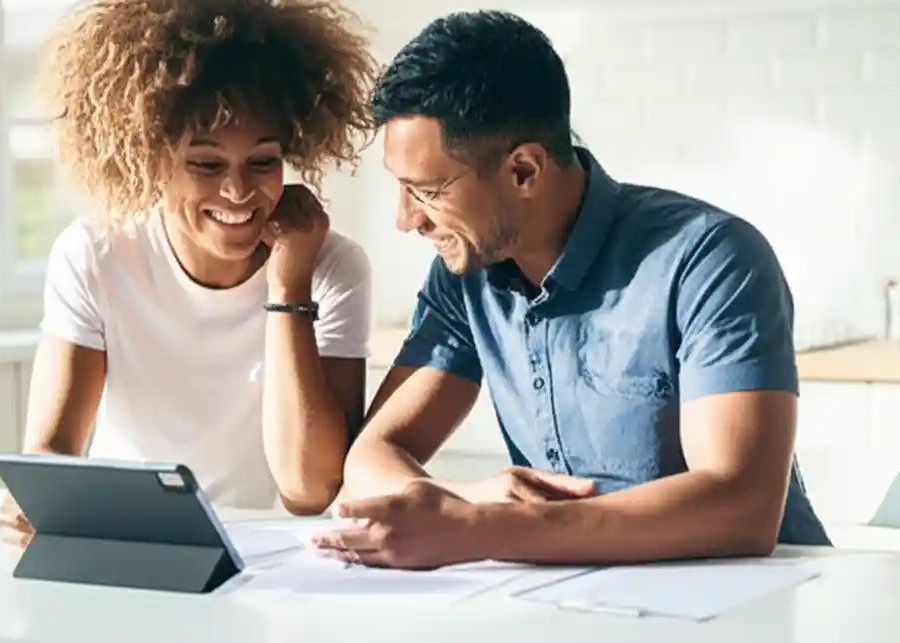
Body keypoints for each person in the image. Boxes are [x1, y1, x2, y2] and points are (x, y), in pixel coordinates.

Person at [0, 0, 375, 643]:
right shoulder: (96, 253)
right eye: (205, 164)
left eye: (263, 162)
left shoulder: (331, 267)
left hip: (261, 594)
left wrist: (288, 285)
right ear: (152, 154)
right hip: (116, 574)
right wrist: (35, 508)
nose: (239, 193)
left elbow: (309, 487)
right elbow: (52, 455)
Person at [314, 10, 831, 570]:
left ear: (524, 171)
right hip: (579, 604)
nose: (406, 219)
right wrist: (478, 501)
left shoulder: (710, 258)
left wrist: (487, 528)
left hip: (757, 599)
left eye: (428, 190)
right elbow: (371, 457)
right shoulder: (467, 274)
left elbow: (741, 507)